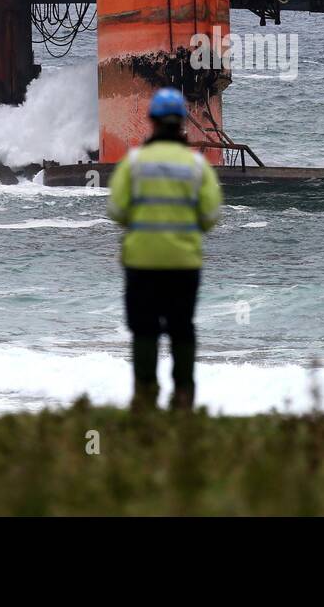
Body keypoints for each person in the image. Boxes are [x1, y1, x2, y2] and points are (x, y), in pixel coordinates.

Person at [107, 87, 222, 410]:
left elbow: (116, 210)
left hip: (141, 261)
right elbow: (211, 217)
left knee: (144, 330)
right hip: (184, 263)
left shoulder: (135, 163)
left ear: (152, 121)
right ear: (183, 122)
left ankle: (145, 395)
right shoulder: (197, 166)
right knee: (182, 329)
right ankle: (183, 394)